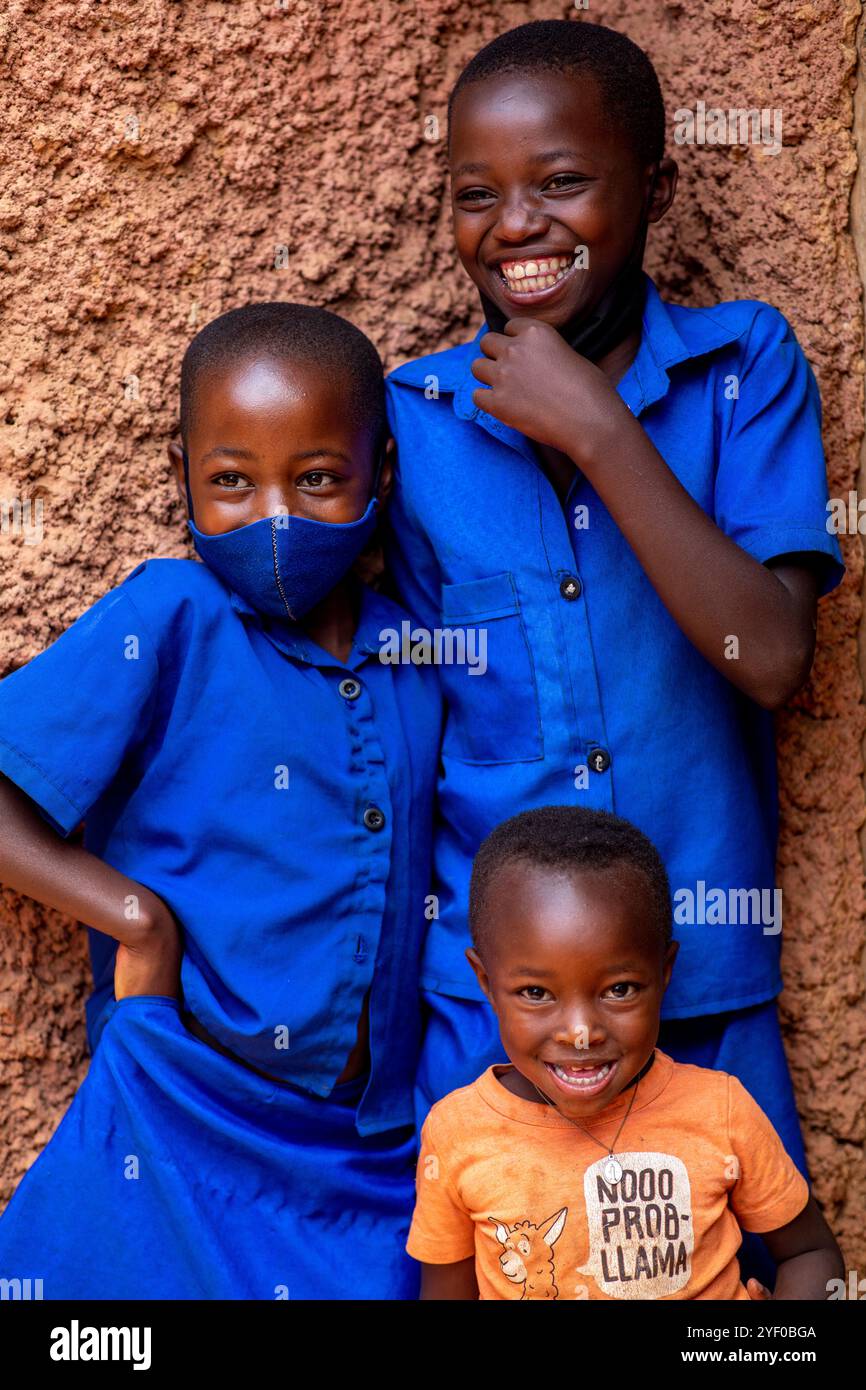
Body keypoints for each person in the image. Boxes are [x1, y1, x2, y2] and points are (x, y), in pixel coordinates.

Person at [383, 20, 844, 1286]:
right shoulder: (410, 423)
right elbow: (407, 714)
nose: (513, 223)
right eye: (474, 194)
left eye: (561, 182)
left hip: (692, 973)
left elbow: (768, 654)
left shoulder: (741, 368)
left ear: (654, 188)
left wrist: (598, 430)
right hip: (492, 1011)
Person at [0, 302, 441, 1299]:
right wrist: (134, 920)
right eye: (232, 482)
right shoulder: (172, 615)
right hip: (178, 1103)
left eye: (318, 478)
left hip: (366, 1150)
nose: (274, 518)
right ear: (184, 477)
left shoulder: (415, 655)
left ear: (380, 474)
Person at [406, 806, 844, 1301]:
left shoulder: (720, 1110)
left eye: (619, 990)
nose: (580, 1033)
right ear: (486, 982)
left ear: (665, 973)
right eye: (535, 993)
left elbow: (811, 1254)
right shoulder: (458, 1134)